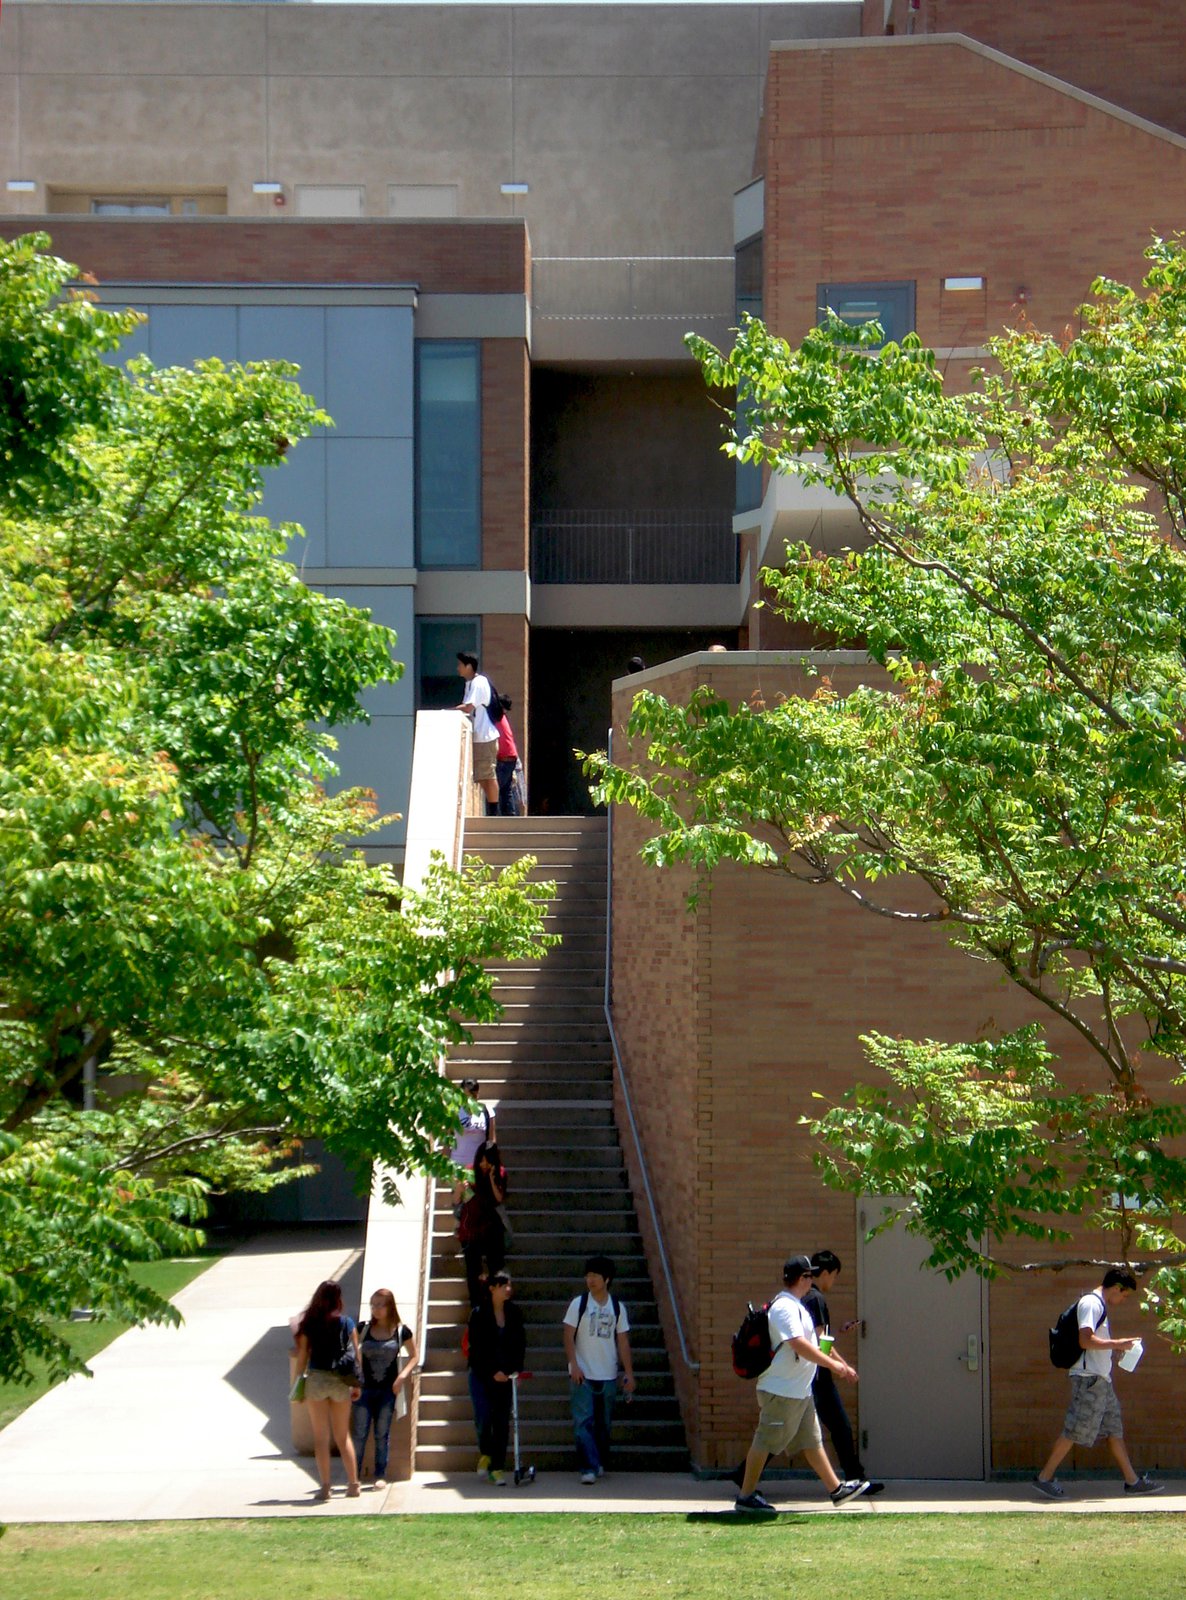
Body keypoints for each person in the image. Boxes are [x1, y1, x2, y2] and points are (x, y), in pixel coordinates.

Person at [734, 1254, 869, 1513]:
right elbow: (798, 1344)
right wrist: (833, 1365)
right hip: (781, 1390)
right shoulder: (784, 1307)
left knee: (811, 1441)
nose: (812, 1279)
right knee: (764, 1441)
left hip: (799, 1391)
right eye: (809, 1275)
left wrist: (840, 1362)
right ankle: (746, 1496)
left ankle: (836, 1490)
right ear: (802, 1278)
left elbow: (816, 1342)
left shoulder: (798, 1306)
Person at [1034, 1266, 1162, 1499]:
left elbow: (1094, 1344)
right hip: (1089, 1381)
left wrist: (1117, 1350)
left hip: (1101, 1380)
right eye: (1123, 1295)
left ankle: (1132, 1481)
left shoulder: (1098, 1305)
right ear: (1116, 1288)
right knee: (1075, 1429)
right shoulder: (1091, 1304)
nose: (1123, 1300)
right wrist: (1118, 1343)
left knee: (1114, 1429)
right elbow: (1085, 1340)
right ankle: (1044, 1477)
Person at [803, 1250, 883, 1495]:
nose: (833, 1282)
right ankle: (855, 1478)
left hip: (809, 1374)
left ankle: (745, 1474)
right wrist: (841, 1366)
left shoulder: (805, 1296)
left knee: (788, 1429)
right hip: (817, 1376)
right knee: (839, 1426)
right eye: (834, 1276)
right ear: (825, 1273)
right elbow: (821, 1340)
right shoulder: (815, 1298)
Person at [562, 1253, 635, 1484]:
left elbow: (622, 1340)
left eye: (595, 1276)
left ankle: (599, 1460)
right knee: (583, 1421)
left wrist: (629, 1373)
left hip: (608, 1374)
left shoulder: (617, 1307)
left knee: (603, 1423)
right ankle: (588, 1467)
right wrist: (573, 1364)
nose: (590, 1280)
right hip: (582, 1373)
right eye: (588, 1276)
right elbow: (567, 1335)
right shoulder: (579, 1304)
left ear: (607, 1279)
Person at [293, 1278, 362, 1502]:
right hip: (341, 1380)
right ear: (338, 1299)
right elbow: (355, 1354)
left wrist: (297, 1386)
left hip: (317, 1380)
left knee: (321, 1438)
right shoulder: (347, 1323)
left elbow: (302, 1356)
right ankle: (353, 1484)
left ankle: (325, 1487)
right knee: (343, 1436)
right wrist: (356, 1383)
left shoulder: (310, 1324)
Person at [351, 1288, 419, 1490]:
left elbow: (414, 1356)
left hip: (388, 1390)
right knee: (360, 1432)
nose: (376, 1309)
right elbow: (352, 1354)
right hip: (363, 1389)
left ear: (390, 1306)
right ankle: (353, 1474)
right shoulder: (362, 1329)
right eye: (373, 1304)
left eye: (380, 1304)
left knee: (382, 1434)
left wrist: (402, 1376)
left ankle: (380, 1474)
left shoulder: (400, 1331)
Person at [467, 1269, 527, 1485]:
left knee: (502, 1421)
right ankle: (486, 1453)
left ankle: (498, 1468)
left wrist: (516, 1371)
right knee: (483, 1417)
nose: (508, 1290)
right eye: (503, 1286)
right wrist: (492, 1371)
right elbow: (476, 1349)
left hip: (506, 1376)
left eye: (509, 1286)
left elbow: (520, 1344)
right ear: (492, 1288)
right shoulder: (479, 1313)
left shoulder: (514, 1313)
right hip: (482, 1375)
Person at [458, 1140, 509, 1306]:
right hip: (471, 1228)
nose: (483, 1164)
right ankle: (476, 1306)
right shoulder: (469, 1172)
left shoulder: (500, 1173)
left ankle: (498, 1304)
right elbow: (456, 1200)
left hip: (492, 1228)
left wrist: (493, 1179)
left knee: (496, 1269)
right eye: (481, 1160)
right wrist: (460, 1188)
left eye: (488, 1161)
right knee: (473, 1272)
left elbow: (499, 1199)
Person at [455, 650, 500, 814]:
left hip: (485, 736)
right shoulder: (470, 683)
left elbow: (468, 707)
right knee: (481, 776)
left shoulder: (479, 682)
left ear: (469, 666)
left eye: (460, 665)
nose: (458, 668)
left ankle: (494, 811)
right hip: (479, 736)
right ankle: (491, 809)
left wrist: (449, 710)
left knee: (488, 773)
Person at [450, 1078, 495, 1211]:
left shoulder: (487, 1112)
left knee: (478, 1206)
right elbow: (448, 1139)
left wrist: (491, 1164)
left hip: (479, 1166)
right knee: (460, 1206)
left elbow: (491, 1140)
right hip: (458, 1166)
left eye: (473, 1095)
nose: (470, 1100)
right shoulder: (454, 1112)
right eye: (466, 1096)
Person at [495, 697, 522, 817]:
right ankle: (510, 817)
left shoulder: (496, 717)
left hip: (504, 758)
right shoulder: (503, 718)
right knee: (506, 790)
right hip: (511, 757)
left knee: (495, 789)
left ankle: (496, 817)